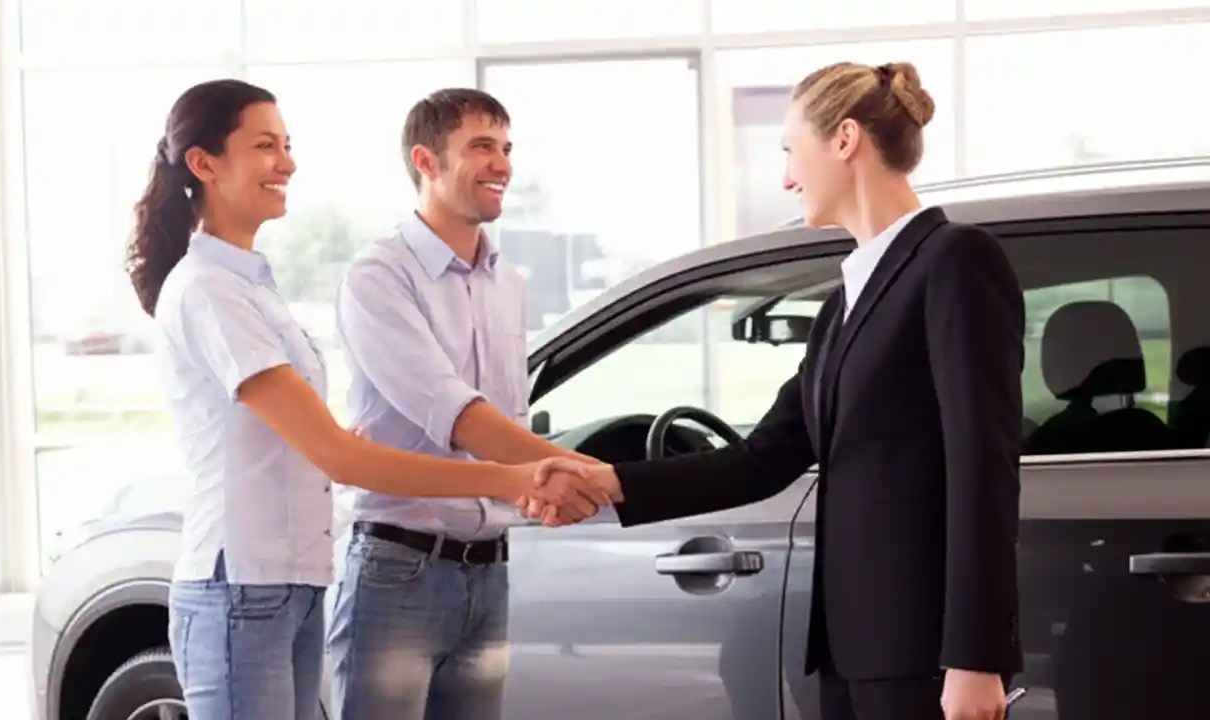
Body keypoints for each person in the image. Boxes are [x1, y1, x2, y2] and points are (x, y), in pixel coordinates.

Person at [525, 61, 1024, 720]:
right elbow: (764, 458)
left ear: (845, 140)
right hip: (853, 649)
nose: (787, 177)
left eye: (790, 150)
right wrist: (608, 482)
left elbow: (983, 470)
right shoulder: (845, 303)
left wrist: (975, 656)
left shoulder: (954, 262)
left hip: (923, 652)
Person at [126, 79, 603, 720]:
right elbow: (340, 458)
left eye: (287, 145)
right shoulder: (210, 288)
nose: (287, 163)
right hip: (239, 583)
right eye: (265, 146)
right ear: (204, 163)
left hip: (288, 580)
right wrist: (518, 477)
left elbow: (321, 440)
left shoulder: (253, 286)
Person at [325, 87, 600, 720]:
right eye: (482, 147)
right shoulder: (379, 277)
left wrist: (543, 483)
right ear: (425, 161)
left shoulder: (508, 282)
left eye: (506, 148)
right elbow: (462, 418)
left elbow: (509, 420)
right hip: (400, 572)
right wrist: (587, 477)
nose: (502, 164)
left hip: (489, 574)